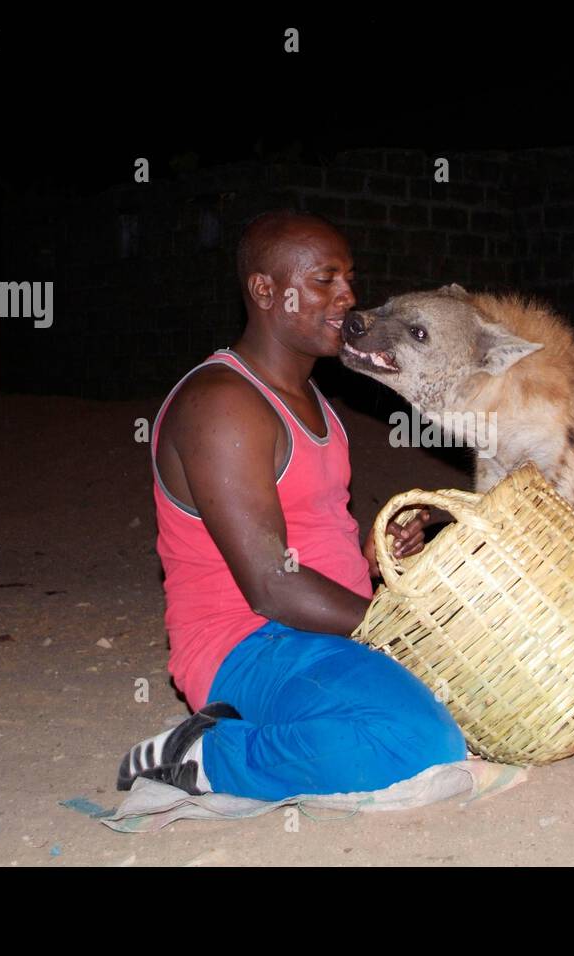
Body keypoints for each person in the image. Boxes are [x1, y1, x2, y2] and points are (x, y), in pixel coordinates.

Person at [115, 210, 466, 800]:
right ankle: (205, 756)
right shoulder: (223, 405)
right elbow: (272, 586)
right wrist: (395, 629)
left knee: (471, 705)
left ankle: (280, 728)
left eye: (350, 278)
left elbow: (302, 537)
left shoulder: (313, 400)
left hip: (314, 632)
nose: (349, 297)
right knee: (419, 745)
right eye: (326, 280)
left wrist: (373, 558)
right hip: (248, 642)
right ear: (265, 289)